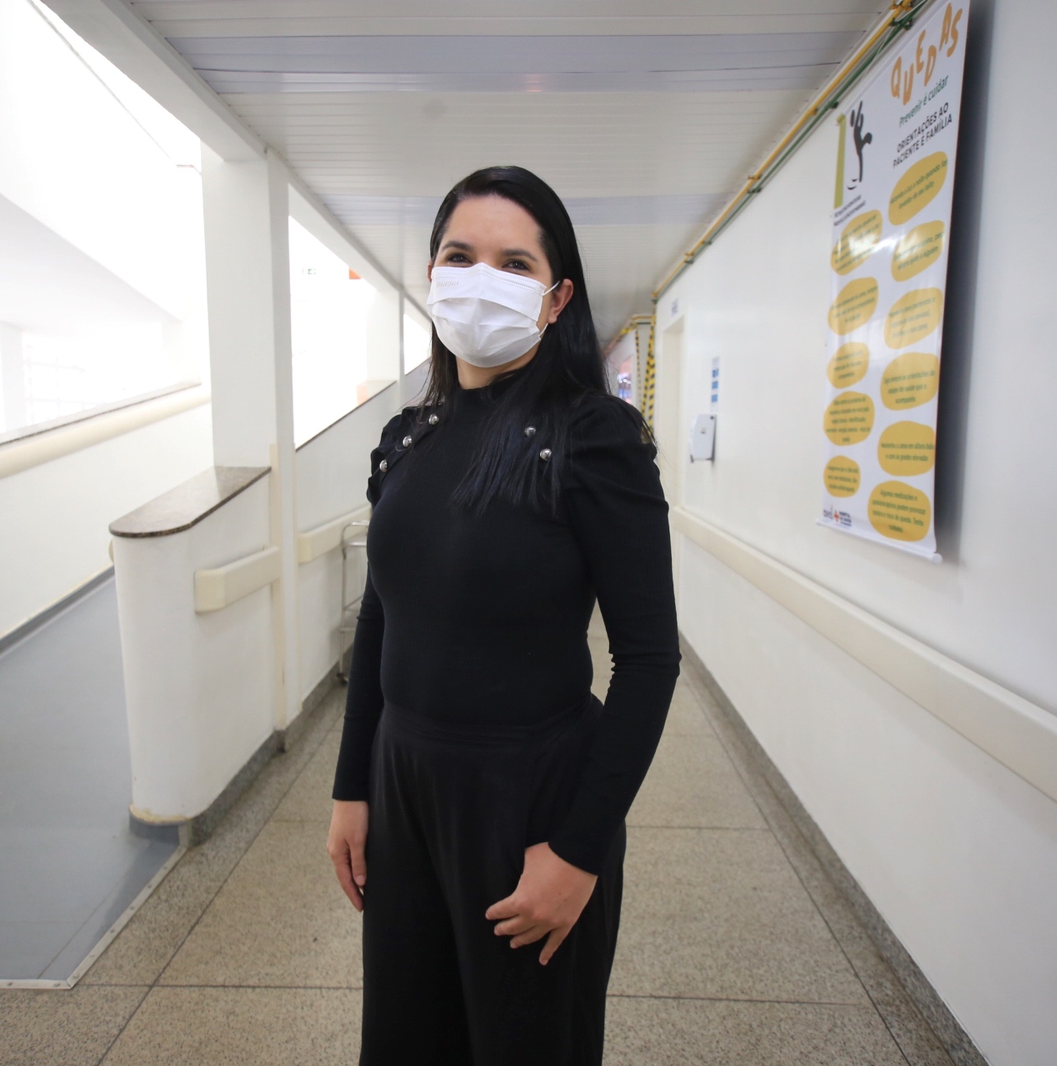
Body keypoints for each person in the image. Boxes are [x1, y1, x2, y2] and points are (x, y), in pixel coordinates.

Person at [326, 165, 680, 1066]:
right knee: (409, 1037)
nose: (481, 277)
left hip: (530, 797)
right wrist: (351, 786)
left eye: (513, 263)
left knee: (525, 1042)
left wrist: (580, 848)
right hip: (404, 783)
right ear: (432, 274)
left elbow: (648, 659)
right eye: (459, 255)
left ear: (557, 298)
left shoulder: (595, 439)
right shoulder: (409, 437)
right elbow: (381, 615)